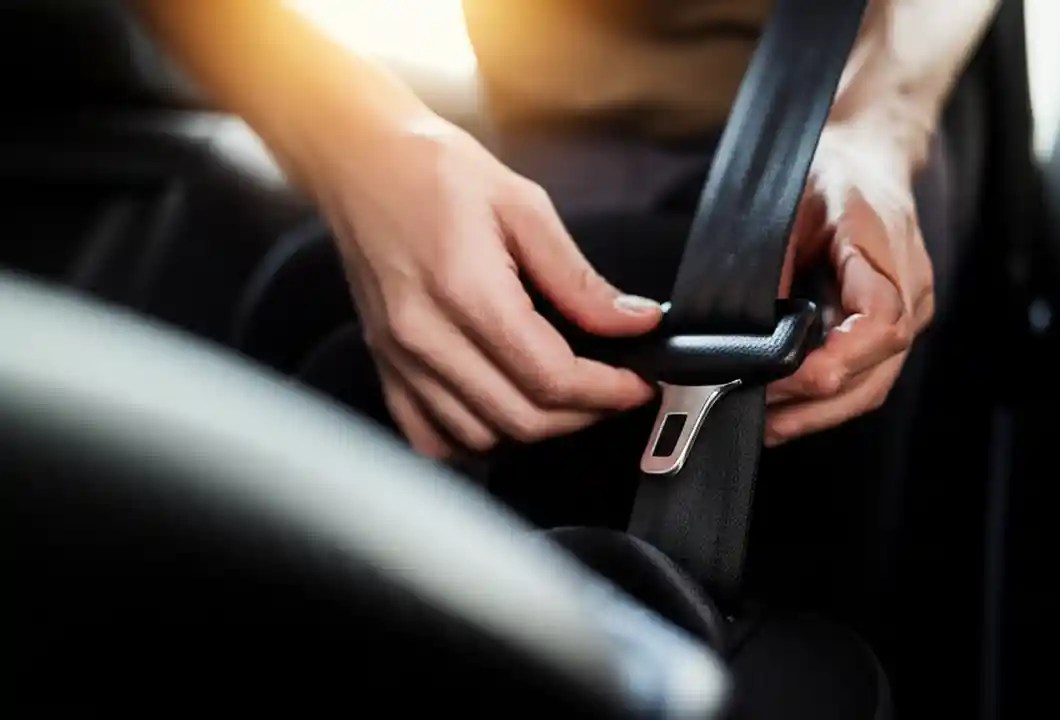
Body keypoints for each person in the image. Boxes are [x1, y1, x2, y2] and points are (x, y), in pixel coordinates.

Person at [131, 0, 1000, 465]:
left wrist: (876, 120)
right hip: (547, 114)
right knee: (307, 309)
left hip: (841, 110)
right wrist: (355, 143)